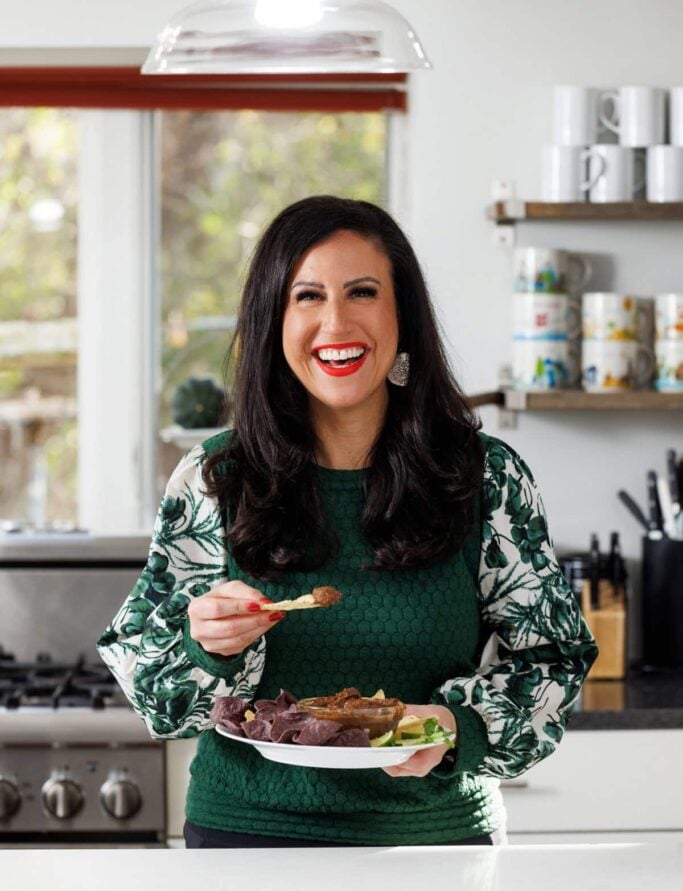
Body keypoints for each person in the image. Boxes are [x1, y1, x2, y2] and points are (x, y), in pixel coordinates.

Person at [97, 195, 598, 849]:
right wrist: (206, 648)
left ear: (401, 315)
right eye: (307, 297)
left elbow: (555, 659)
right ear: (273, 321)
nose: (335, 322)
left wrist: (459, 727)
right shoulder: (214, 478)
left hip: (436, 843)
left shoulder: (486, 477)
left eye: (362, 292)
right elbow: (157, 701)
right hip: (246, 842)